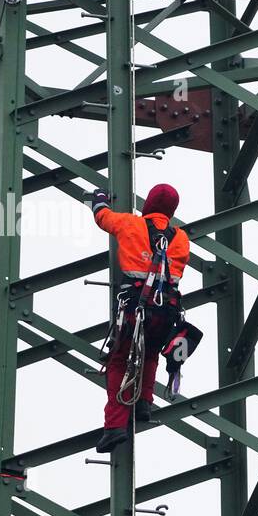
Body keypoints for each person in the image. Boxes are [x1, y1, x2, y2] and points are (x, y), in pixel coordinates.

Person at [90, 183, 190, 454]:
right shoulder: (181, 238)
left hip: (136, 309)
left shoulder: (129, 224)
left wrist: (99, 196)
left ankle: (114, 428)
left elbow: (102, 216)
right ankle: (144, 402)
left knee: (119, 362)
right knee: (150, 354)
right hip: (166, 312)